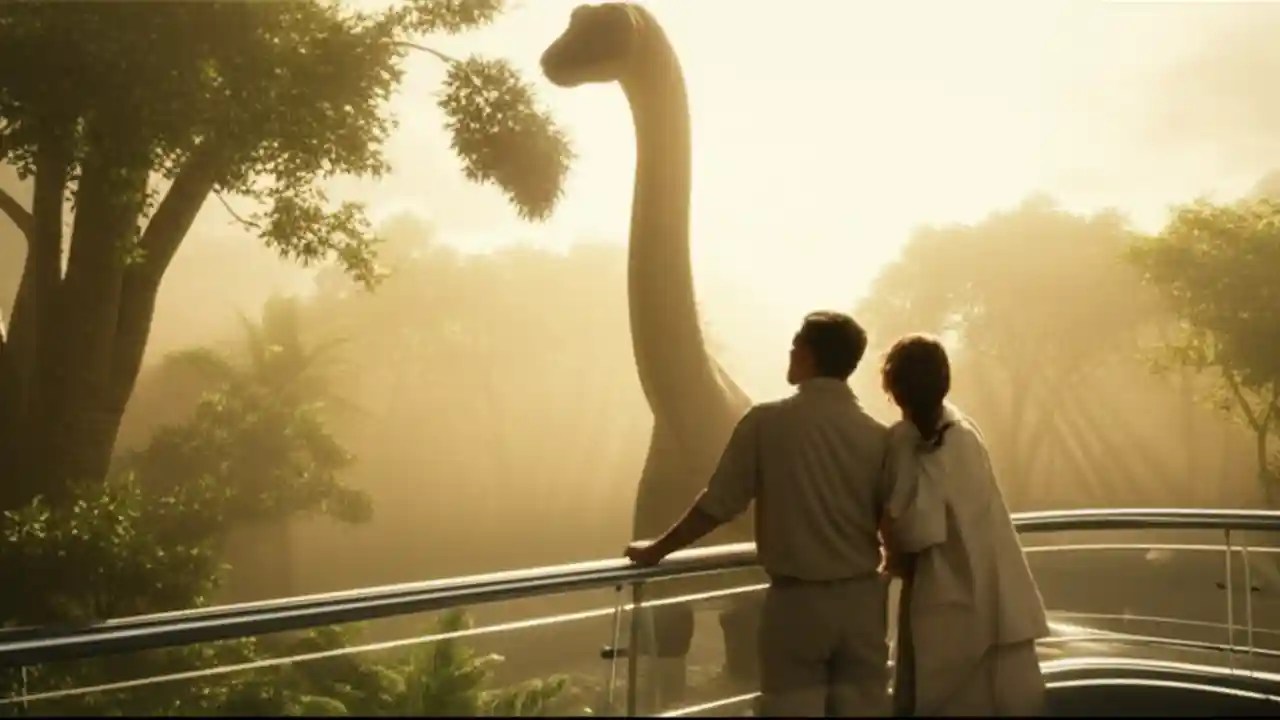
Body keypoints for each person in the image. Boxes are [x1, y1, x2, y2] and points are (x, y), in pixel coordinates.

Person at [625, 311, 892, 717]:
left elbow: (719, 503)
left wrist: (657, 550)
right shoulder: (878, 436)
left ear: (807, 355)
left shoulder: (766, 423)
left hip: (798, 604)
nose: (790, 353)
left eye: (795, 346)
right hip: (864, 603)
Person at [878, 334, 1050, 716]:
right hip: (997, 604)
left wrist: (888, 528)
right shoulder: (963, 433)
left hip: (952, 611)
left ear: (896, 389)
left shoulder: (924, 444)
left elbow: (917, 530)